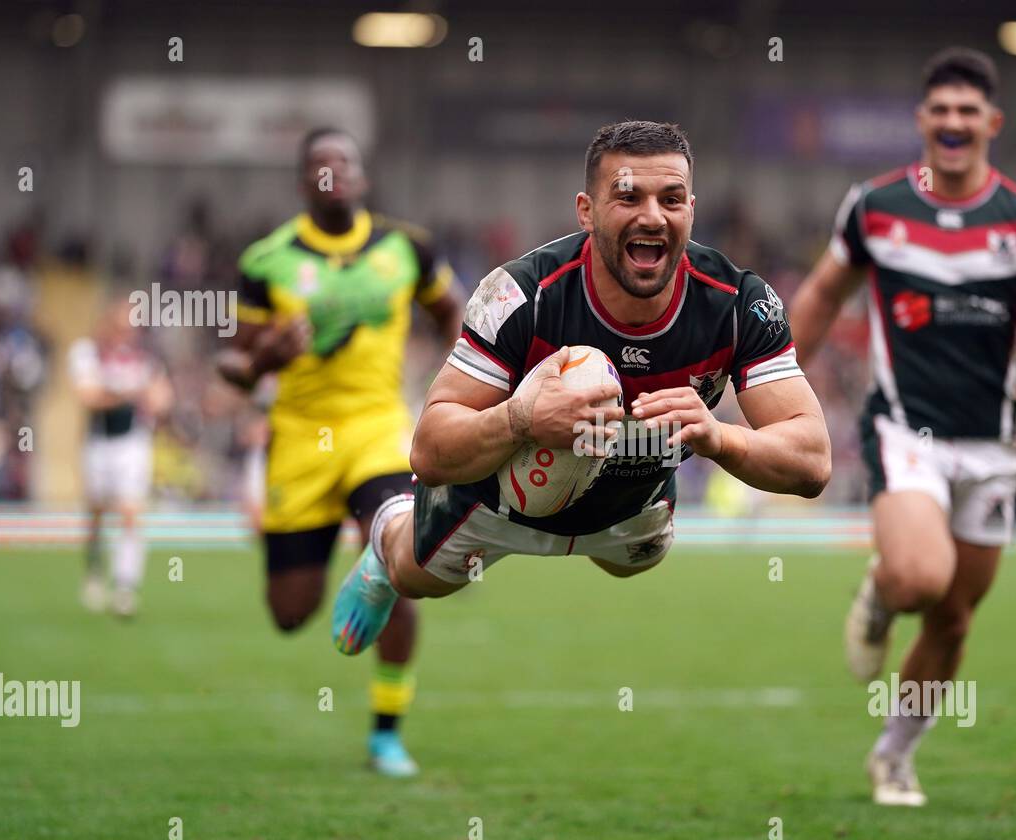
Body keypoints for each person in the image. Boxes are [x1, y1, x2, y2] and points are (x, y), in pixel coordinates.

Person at [327, 118, 832, 752]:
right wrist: (522, 419)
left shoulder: (737, 302)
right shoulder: (521, 296)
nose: (652, 217)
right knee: (415, 575)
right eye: (628, 197)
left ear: (692, 210)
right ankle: (381, 545)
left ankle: (611, 517)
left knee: (633, 565)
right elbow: (428, 451)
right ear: (587, 210)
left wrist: (717, 435)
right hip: (497, 501)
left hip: (629, 513)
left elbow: (812, 460)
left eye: (671, 199)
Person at [789, 49, 1016, 806]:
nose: (952, 124)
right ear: (922, 121)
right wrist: (775, 380)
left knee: (952, 616)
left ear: (992, 123)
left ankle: (894, 755)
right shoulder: (875, 205)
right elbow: (820, 295)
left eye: (966, 112)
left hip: (991, 446)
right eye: (939, 111)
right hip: (906, 429)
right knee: (920, 576)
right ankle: (883, 590)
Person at [217, 127, 464, 777]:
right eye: (322, 167)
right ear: (305, 183)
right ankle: (366, 563)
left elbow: (457, 320)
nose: (336, 174)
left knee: (400, 557)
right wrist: (264, 357)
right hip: (299, 437)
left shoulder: (406, 247)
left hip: (377, 427)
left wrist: (458, 391)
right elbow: (233, 363)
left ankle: (386, 733)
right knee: (291, 612)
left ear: (363, 175)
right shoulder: (267, 259)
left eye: (346, 163)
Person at [70, 299, 172, 617]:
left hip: (132, 443)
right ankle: (94, 572)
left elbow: (161, 399)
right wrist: (130, 393)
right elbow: (89, 397)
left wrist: (127, 393)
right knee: (97, 513)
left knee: (130, 513)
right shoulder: (88, 353)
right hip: (99, 443)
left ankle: (125, 587)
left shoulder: (145, 358)